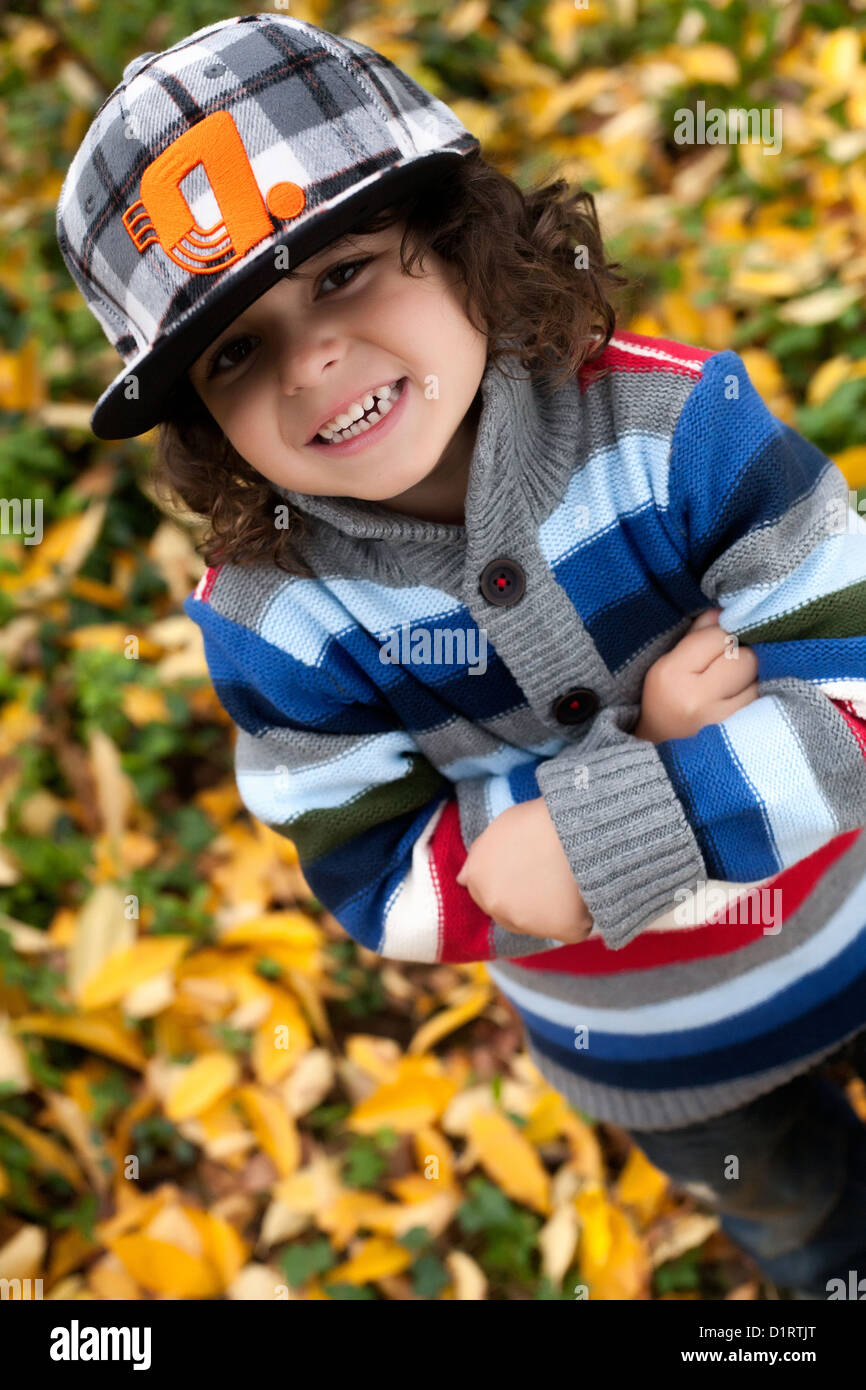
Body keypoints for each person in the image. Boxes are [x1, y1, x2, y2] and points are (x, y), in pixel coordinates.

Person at [56, 13, 866, 1300]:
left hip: (847, 911)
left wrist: (610, 811)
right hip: (665, 1050)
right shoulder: (274, 618)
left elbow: (852, 678)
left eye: (342, 272)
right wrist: (641, 754)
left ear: (458, 239)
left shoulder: (676, 425)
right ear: (203, 418)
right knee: (818, 1235)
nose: (312, 356)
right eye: (234, 349)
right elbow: (376, 865)